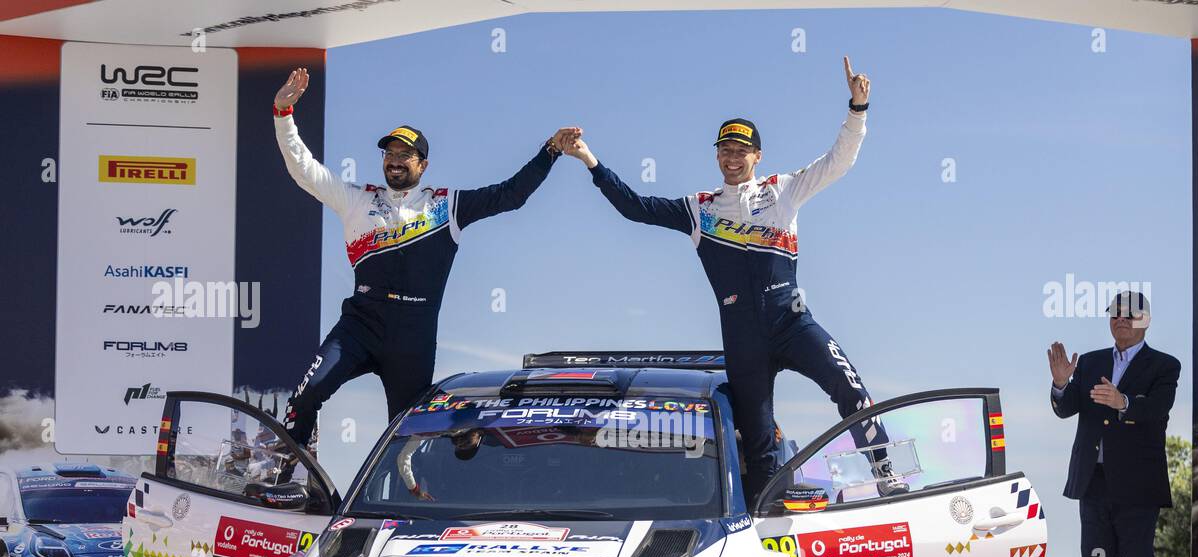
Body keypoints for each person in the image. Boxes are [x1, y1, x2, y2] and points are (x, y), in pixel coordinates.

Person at [560, 57, 905, 508]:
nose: (732, 158)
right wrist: (590, 160)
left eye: (741, 151)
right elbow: (635, 207)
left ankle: (886, 476)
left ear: (756, 157)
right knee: (758, 441)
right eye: (725, 150)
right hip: (743, 339)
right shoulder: (700, 208)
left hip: (793, 323)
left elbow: (838, 161)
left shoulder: (783, 190)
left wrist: (857, 108)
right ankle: (767, 515)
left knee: (850, 389)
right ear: (717, 156)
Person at [271, 67, 580, 450]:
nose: (395, 161)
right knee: (308, 393)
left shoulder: (446, 205)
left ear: (423, 165)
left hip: (413, 335)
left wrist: (550, 151)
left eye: (406, 154)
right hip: (360, 323)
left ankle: (447, 445)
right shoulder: (358, 199)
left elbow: (510, 194)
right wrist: (283, 115)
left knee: (403, 435)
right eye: (389, 153)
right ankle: (287, 471)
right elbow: (305, 171)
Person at [1048, 291, 1181, 557]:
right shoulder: (1089, 362)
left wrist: (1123, 401)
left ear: (1146, 320)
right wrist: (1060, 385)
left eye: (1130, 314)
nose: (1121, 320)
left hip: (1137, 490)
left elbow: (1158, 409)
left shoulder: (1164, 365)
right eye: (1115, 314)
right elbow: (1067, 407)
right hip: (1095, 486)